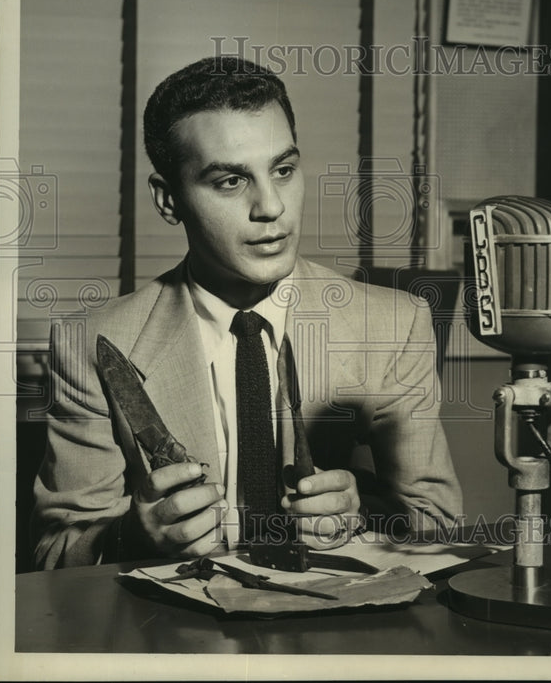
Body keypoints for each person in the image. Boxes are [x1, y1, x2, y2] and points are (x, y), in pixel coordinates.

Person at [31, 56, 462, 569]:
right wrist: (131, 536)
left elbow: (439, 523)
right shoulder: (93, 344)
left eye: (283, 170)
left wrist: (362, 519)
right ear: (168, 201)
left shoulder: (393, 326)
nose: (272, 206)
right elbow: (52, 554)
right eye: (231, 181)